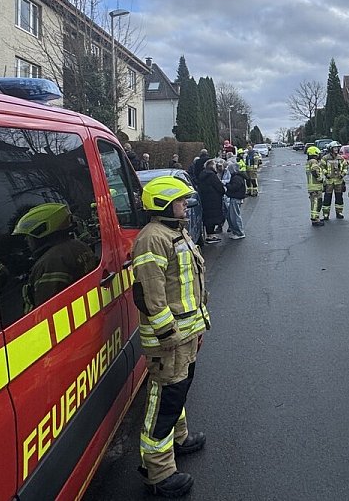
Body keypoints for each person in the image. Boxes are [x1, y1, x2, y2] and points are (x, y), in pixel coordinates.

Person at [133, 175, 210, 497]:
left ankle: (178, 439)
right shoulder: (153, 239)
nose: (185, 205)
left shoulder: (174, 232)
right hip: (170, 339)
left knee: (179, 391)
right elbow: (152, 294)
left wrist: (197, 327)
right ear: (164, 204)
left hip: (185, 334)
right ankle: (158, 472)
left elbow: (187, 286)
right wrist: (169, 335)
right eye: (180, 200)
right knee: (165, 400)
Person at [13, 202, 95, 311]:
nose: (26, 240)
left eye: (28, 235)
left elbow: (46, 308)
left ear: (40, 231)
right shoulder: (78, 245)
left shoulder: (50, 262)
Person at [197, 160, 226, 244]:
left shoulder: (203, 174)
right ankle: (210, 235)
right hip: (214, 200)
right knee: (213, 217)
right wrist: (222, 191)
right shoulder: (212, 175)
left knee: (208, 217)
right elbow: (219, 187)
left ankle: (209, 234)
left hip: (205, 199)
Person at [322, 143, 346, 219]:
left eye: (337, 148)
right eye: (334, 148)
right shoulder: (325, 158)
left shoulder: (340, 158)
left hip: (339, 181)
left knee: (339, 198)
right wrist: (326, 174)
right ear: (330, 149)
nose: (336, 149)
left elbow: (345, 167)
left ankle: (339, 212)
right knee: (327, 198)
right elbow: (322, 167)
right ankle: (326, 214)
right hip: (329, 182)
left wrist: (342, 174)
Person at [224, 158, 246, 239]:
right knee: (232, 215)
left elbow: (234, 187)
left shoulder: (236, 178)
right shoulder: (238, 177)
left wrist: (227, 185)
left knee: (235, 216)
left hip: (235, 198)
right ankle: (236, 231)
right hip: (235, 198)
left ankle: (240, 233)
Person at [305, 145, 325, 226]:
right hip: (315, 186)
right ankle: (315, 219)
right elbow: (314, 171)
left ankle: (316, 217)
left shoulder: (309, 162)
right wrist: (320, 179)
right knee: (317, 203)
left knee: (315, 202)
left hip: (312, 186)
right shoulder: (313, 161)